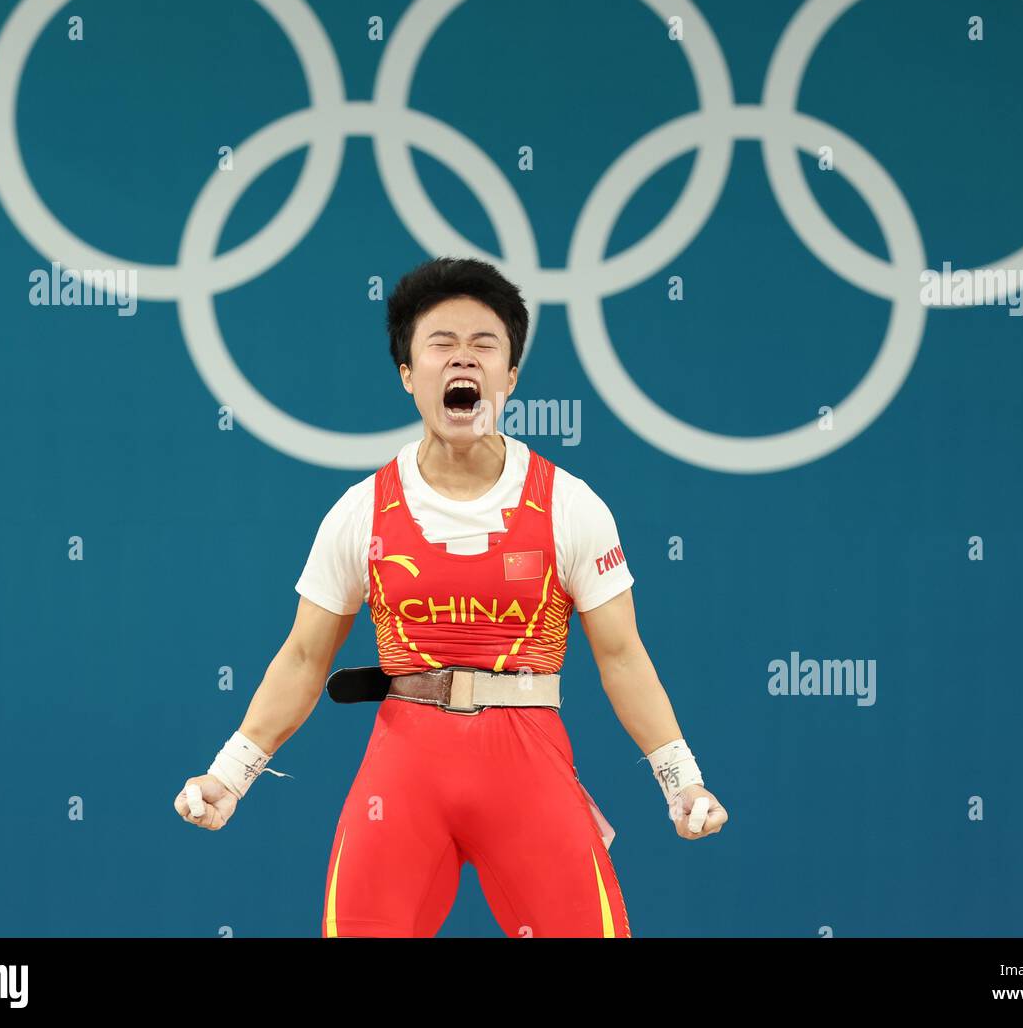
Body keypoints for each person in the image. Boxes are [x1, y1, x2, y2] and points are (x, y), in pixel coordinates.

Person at [173, 256, 728, 937]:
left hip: (530, 773)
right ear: (409, 375)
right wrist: (229, 775)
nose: (462, 359)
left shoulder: (570, 506)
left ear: (510, 377)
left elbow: (622, 657)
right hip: (404, 777)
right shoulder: (359, 513)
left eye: (483, 345)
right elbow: (302, 659)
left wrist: (683, 781)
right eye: (441, 344)